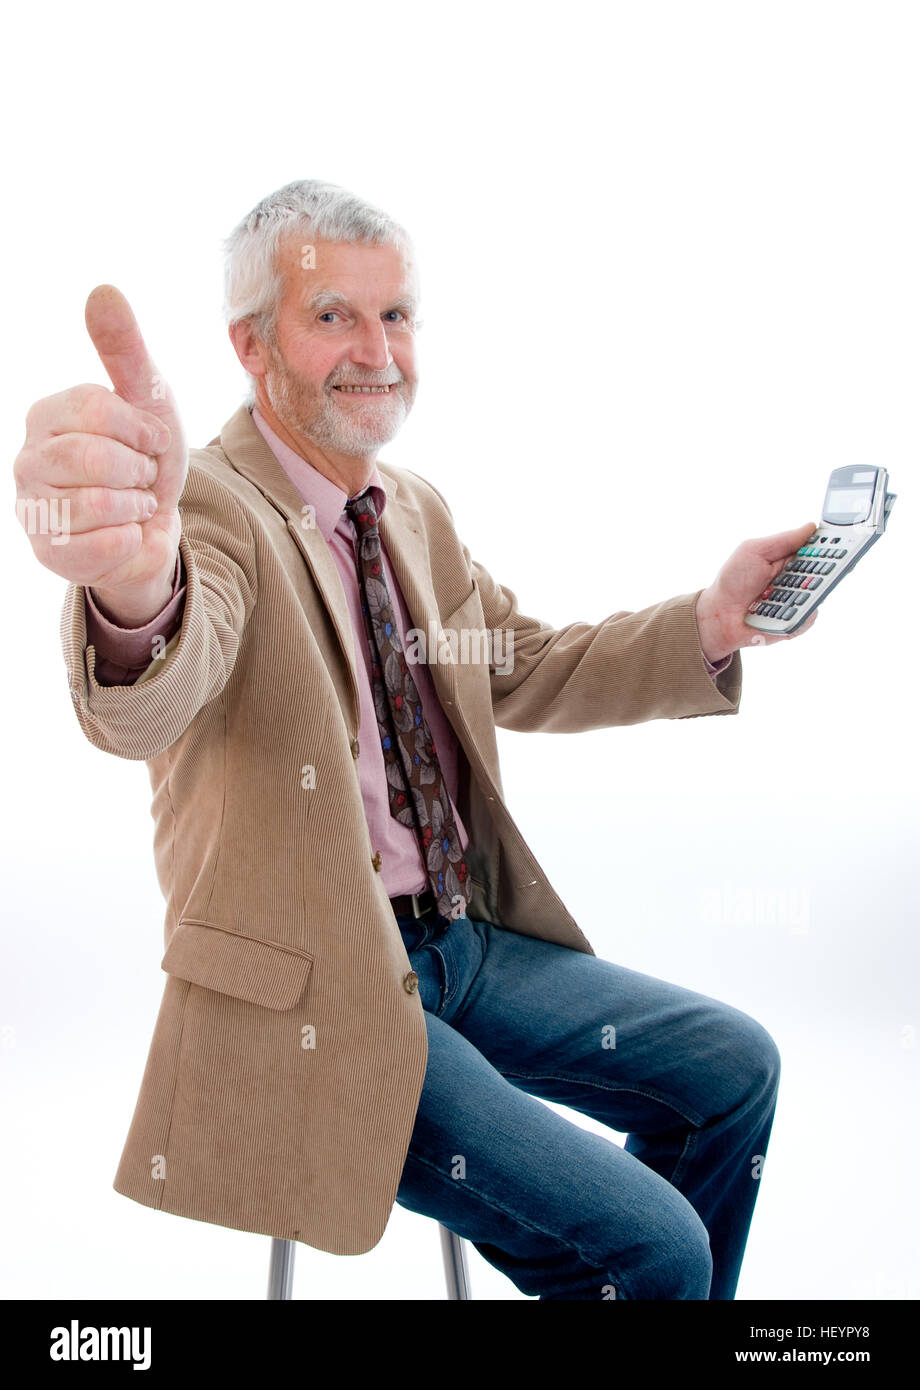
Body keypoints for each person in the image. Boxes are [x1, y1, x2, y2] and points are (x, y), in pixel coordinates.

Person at [14, 179, 817, 1300]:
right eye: (333, 314)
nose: (377, 350)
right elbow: (159, 681)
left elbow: (518, 665)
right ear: (250, 343)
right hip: (325, 991)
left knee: (733, 1073)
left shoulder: (412, 511)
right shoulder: (204, 506)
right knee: (658, 1250)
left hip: (457, 947)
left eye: (395, 316)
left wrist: (708, 622)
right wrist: (136, 588)